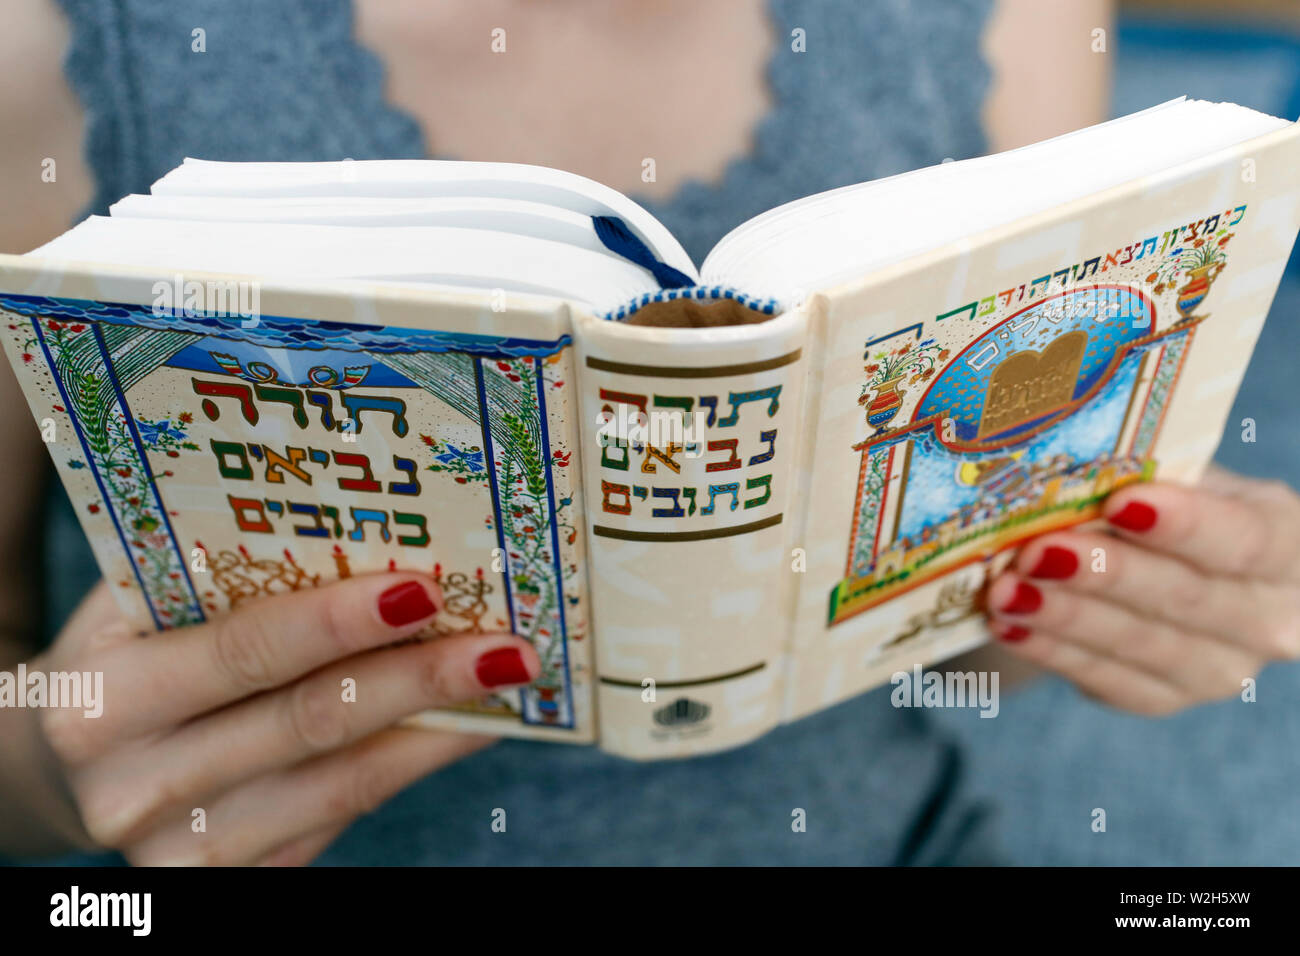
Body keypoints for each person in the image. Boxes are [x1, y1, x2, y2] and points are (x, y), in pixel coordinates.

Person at [1, 0, 1297, 865]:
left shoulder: (1010, 16)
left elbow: (946, 628)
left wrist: (1108, 590)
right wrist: (59, 786)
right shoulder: (50, 52)